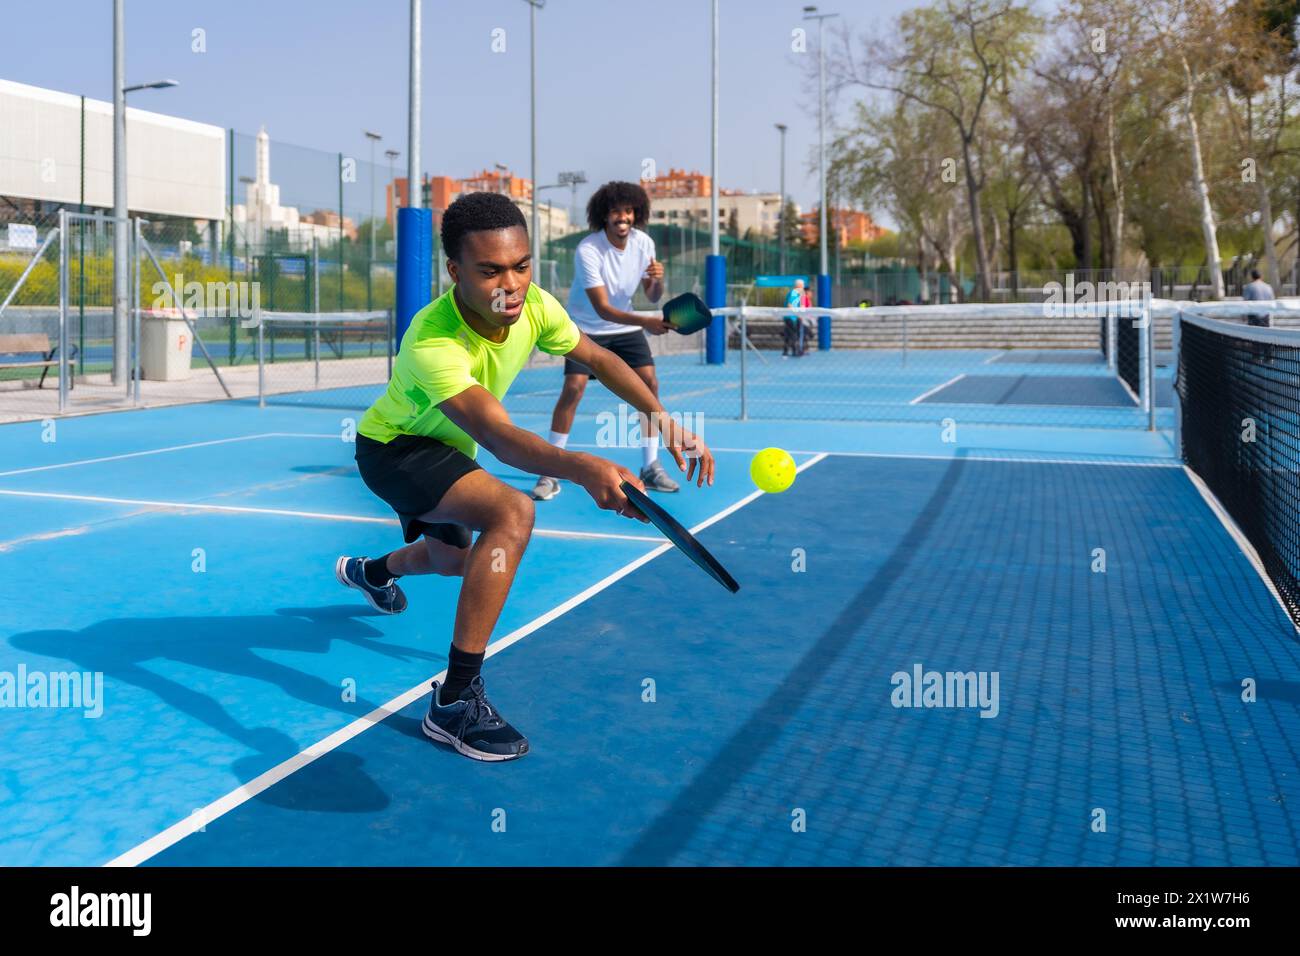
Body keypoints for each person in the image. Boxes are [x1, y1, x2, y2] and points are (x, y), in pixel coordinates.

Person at [336, 192, 713, 761]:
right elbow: (498, 436)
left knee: (455, 562)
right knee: (512, 511)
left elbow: (602, 357)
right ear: (455, 271)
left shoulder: (534, 305)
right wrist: (587, 468)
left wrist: (663, 418)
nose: (510, 284)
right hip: (395, 450)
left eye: (520, 265)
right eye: (490, 271)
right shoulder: (432, 339)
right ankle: (455, 703)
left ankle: (371, 571)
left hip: (446, 448)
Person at [531, 182, 677, 502]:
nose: (622, 217)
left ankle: (650, 466)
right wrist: (649, 321)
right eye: (615, 211)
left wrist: (657, 280)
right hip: (586, 327)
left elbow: (652, 294)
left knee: (649, 385)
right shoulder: (588, 249)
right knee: (573, 389)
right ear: (604, 216)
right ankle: (550, 471)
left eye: (627, 211)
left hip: (624, 328)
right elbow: (602, 308)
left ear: (636, 214)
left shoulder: (644, 243)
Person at [782, 278, 805, 357]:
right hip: (790, 317)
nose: (803, 287)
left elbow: (801, 306)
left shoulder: (799, 294)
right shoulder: (794, 293)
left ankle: (787, 351)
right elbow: (790, 305)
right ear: (798, 286)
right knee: (792, 334)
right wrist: (798, 314)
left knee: (790, 334)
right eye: (802, 286)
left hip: (794, 317)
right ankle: (794, 350)